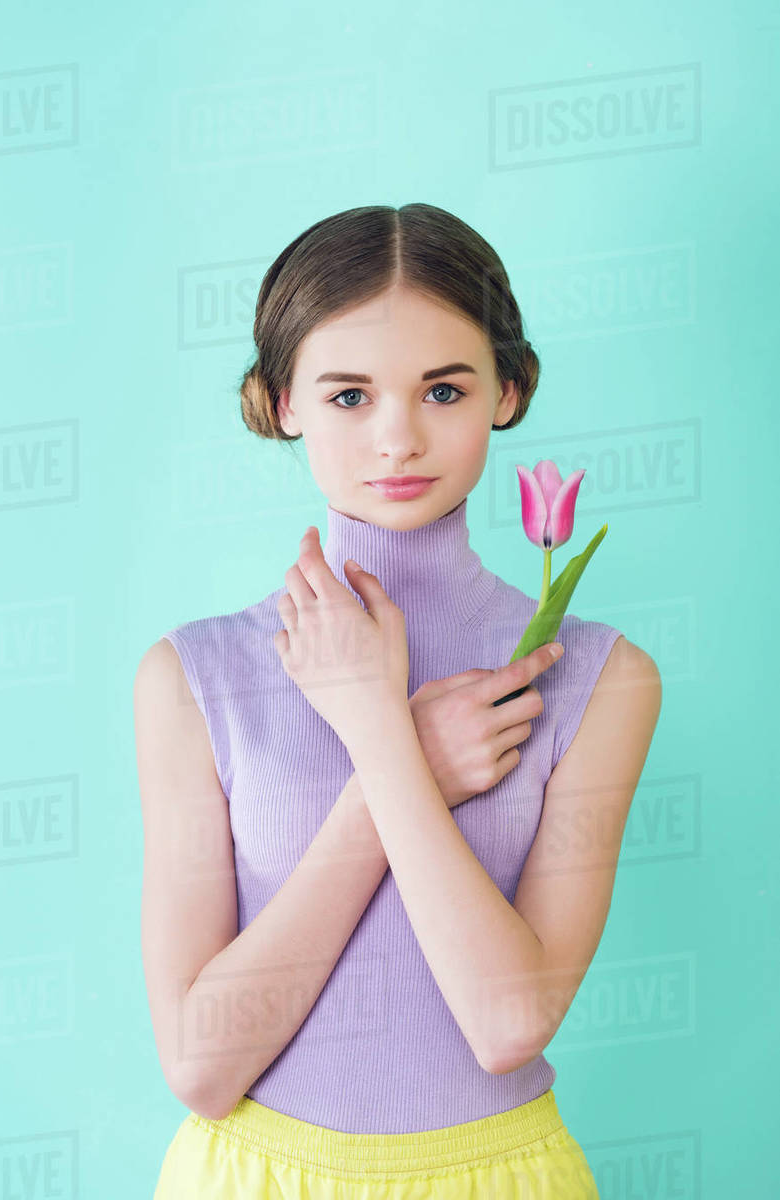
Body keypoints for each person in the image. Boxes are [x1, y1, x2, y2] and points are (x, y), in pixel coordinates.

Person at [134, 203, 662, 1198]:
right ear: (279, 399)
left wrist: (378, 732)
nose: (397, 438)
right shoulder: (191, 680)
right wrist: (403, 757)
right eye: (347, 396)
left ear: (509, 391)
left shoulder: (599, 678)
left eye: (443, 389)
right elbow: (202, 1070)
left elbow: (508, 1025)